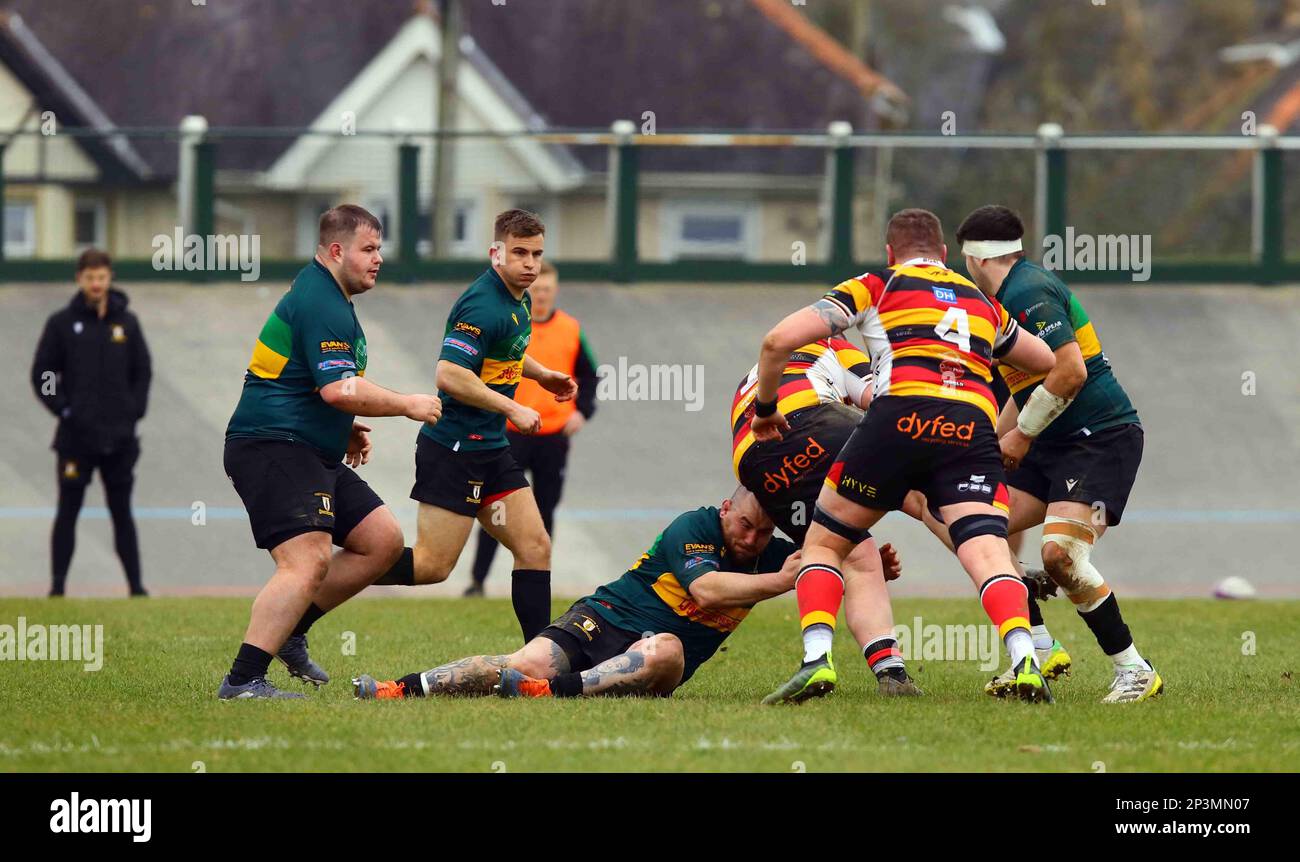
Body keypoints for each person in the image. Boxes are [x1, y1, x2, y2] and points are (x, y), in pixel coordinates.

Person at [751, 208, 1059, 703]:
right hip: (969, 430)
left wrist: (766, 409)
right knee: (988, 552)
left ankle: (816, 661)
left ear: (891, 252)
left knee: (827, 545)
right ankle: (1025, 658)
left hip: (898, 420)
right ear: (943, 255)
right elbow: (1045, 363)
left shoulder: (879, 283)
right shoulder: (982, 302)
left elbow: (776, 342)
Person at [219, 204, 443, 700]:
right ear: (336, 250)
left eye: (379, 249)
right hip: (272, 445)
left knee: (380, 540)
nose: (378, 259)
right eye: (369, 249)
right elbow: (339, 389)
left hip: (306, 445)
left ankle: (291, 629)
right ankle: (242, 680)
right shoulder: (322, 300)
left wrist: (339, 431)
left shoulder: (328, 296)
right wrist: (407, 404)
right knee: (307, 561)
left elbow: (306, 381)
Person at [950, 204, 1161, 704]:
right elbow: (1025, 388)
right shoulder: (1003, 300)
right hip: (1052, 440)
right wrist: (988, 445)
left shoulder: (1025, 293)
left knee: (1059, 556)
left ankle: (1133, 670)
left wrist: (1020, 437)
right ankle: (1039, 648)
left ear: (976, 259)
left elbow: (1069, 373)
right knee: (982, 530)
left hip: (1099, 438)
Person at [352, 487, 806, 700]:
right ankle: (402, 688)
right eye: (744, 525)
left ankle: (548, 693)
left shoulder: (774, 556)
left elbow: (827, 558)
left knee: (667, 650)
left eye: (763, 533)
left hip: (653, 659)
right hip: (606, 615)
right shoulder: (695, 526)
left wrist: (867, 566)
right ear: (727, 510)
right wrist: (781, 582)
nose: (751, 539)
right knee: (525, 662)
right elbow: (706, 591)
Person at [377, 209, 576, 644]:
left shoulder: (518, 297)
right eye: (519, 253)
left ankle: (540, 660)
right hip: (454, 449)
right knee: (433, 567)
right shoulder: (482, 303)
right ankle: (329, 577)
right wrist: (511, 408)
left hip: (489, 450)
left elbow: (505, 352)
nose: (529, 263)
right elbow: (449, 374)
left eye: (537, 254)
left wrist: (542, 375)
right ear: (495, 253)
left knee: (535, 547)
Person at [730, 337, 920, 701]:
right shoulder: (836, 346)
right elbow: (878, 402)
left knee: (850, 555)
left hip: (754, 461)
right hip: (812, 420)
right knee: (927, 496)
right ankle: (999, 565)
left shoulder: (759, 373)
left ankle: (835, 662)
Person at [463, 260, 598, 597]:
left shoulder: (570, 328)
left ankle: (538, 578)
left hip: (553, 435)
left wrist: (582, 412)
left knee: (545, 508)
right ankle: (477, 582)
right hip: (511, 432)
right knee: (497, 506)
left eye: (547, 290)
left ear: (555, 291)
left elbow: (591, 375)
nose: (541, 296)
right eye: (536, 289)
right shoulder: (513, 323)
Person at [30, 249, 152, 597]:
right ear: (79, 279)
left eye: (102, 277)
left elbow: (142, 370)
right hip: (75, 438)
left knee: (122, 513)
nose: (96, 284)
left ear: (109, 278)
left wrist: (134, 409)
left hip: (120, 439)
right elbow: (44, 373)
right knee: (68, 510)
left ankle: (136, 588)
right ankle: (57, 588)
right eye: (90, 278)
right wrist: (62, 408)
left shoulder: (126, 323)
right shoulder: (62, 324)